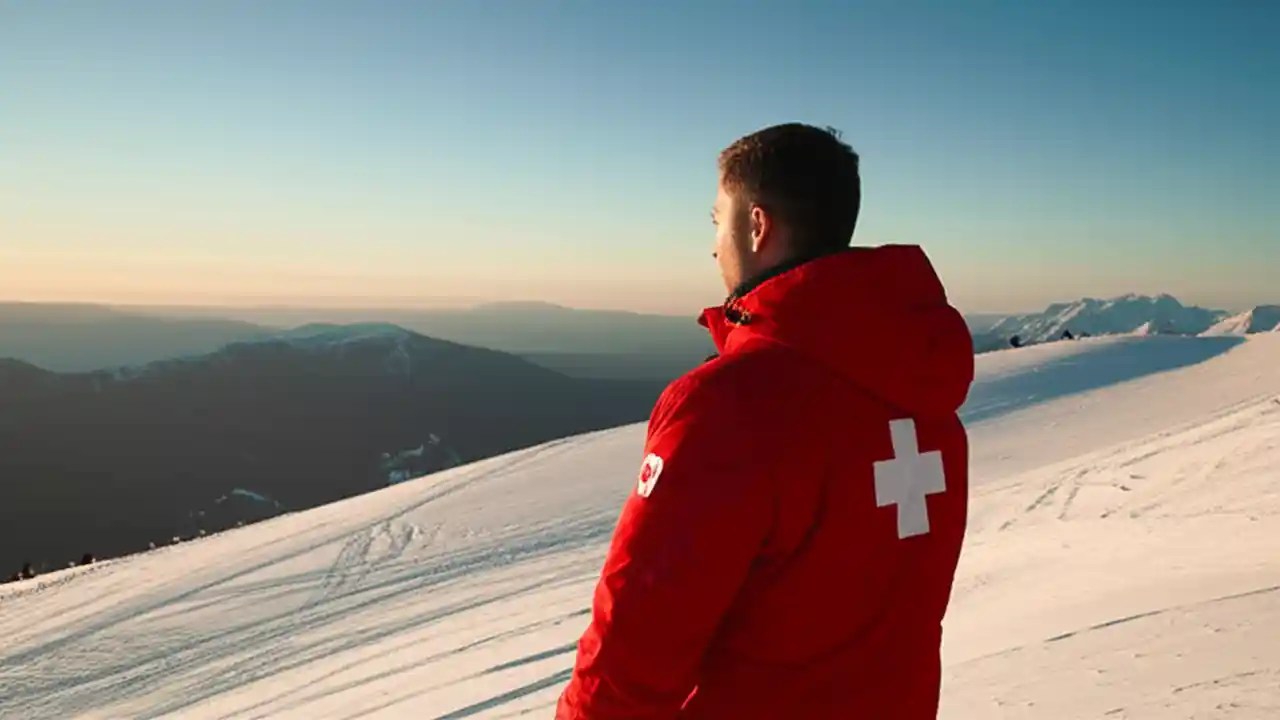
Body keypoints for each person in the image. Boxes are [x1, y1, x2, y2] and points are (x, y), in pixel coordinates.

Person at [556, 123, 975, 719]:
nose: (712, 246)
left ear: (756, 226)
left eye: (716, 221)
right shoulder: (924, 393)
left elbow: (634, 650)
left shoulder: (730, 407)